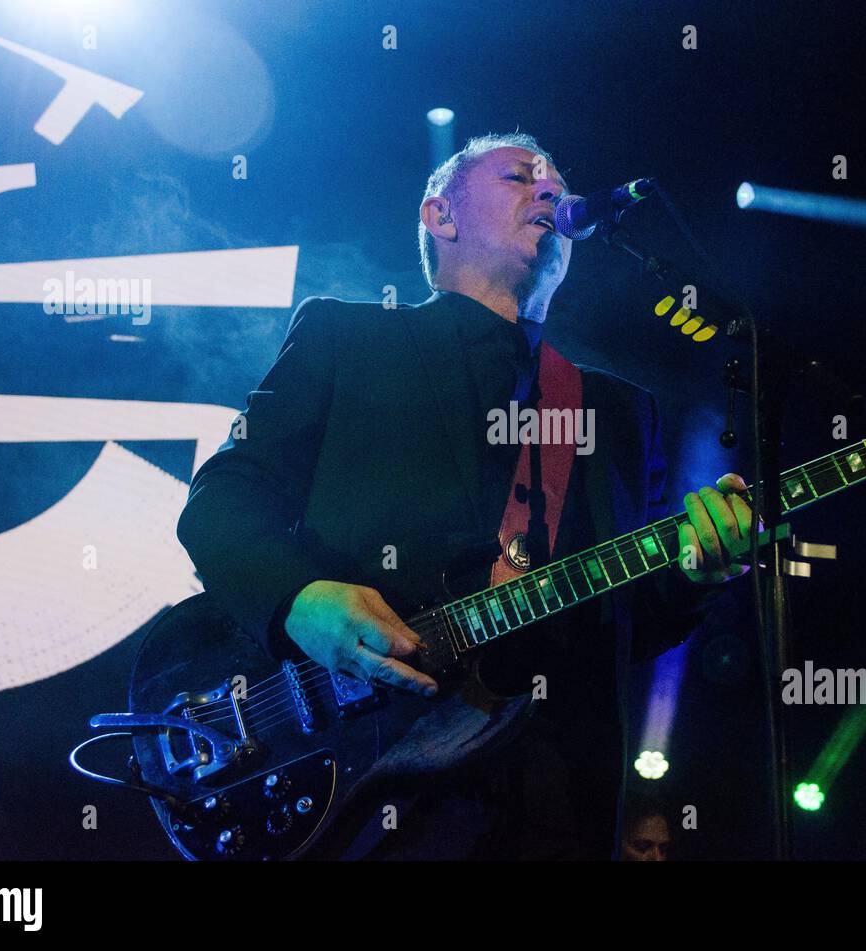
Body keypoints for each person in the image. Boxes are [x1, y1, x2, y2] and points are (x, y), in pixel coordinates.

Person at [176, 131, 754, 860]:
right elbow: (221, 498)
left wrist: (694, 579)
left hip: (555, 803)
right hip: (366, 780)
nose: (551, 193)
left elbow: (619, 622)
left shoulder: (620, 412)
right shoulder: (345, 339)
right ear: (440, 217)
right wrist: (298, 599)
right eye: (522, 177)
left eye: (556, 185)